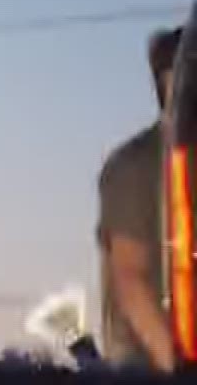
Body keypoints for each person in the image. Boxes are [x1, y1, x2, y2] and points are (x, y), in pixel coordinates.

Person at [99, 23, 182, 371]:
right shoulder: (136, 165)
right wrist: (175, 370)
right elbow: (131, 279)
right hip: (144, 366)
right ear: (169, 82)